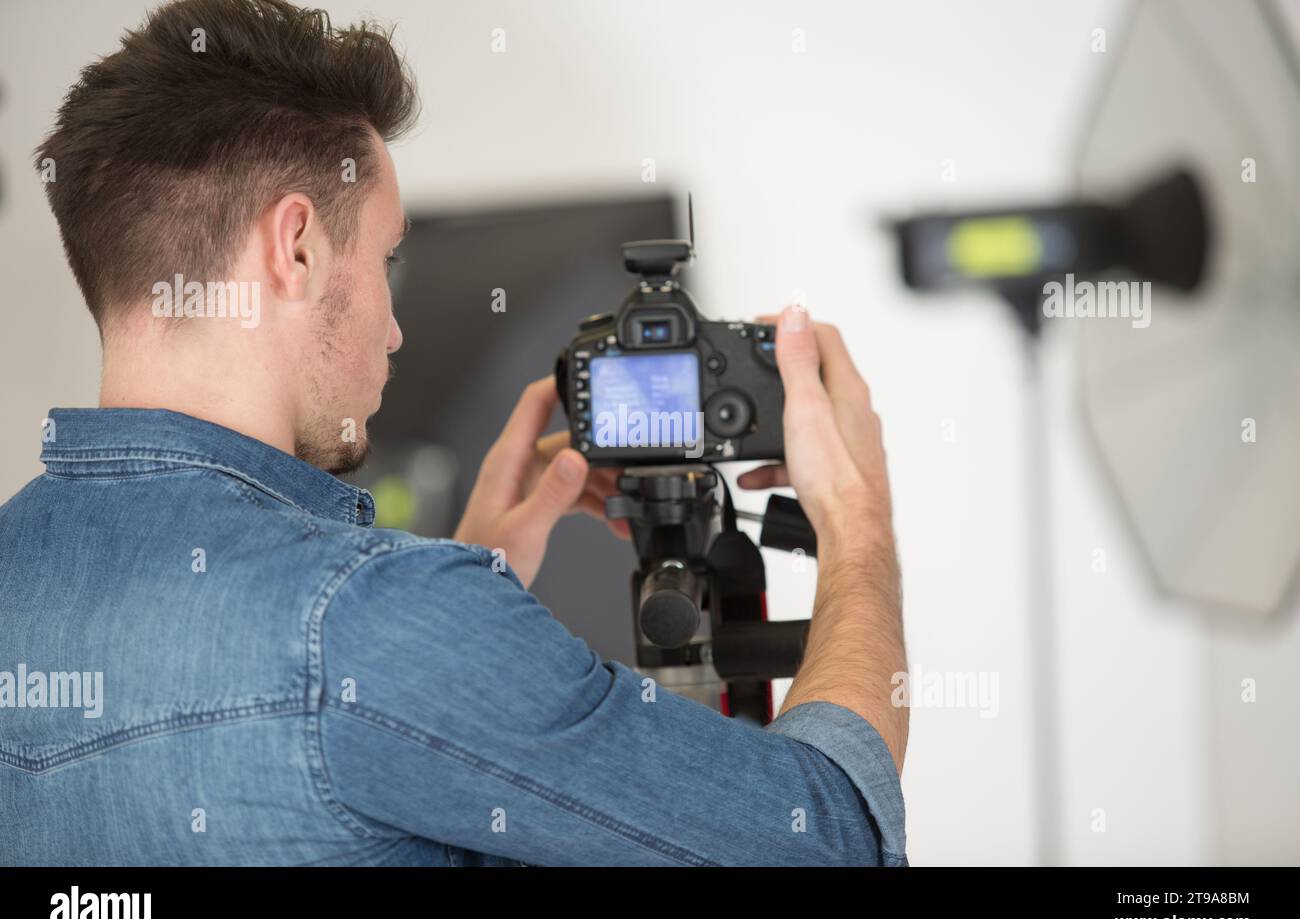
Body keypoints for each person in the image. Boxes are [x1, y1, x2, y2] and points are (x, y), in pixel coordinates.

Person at [0, 0, 908, 866]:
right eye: (386, 258)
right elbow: (826, 837)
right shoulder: (365, 620)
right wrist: (857, 524)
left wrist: (471, 604)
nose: (393, 328)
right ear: (299, 248)